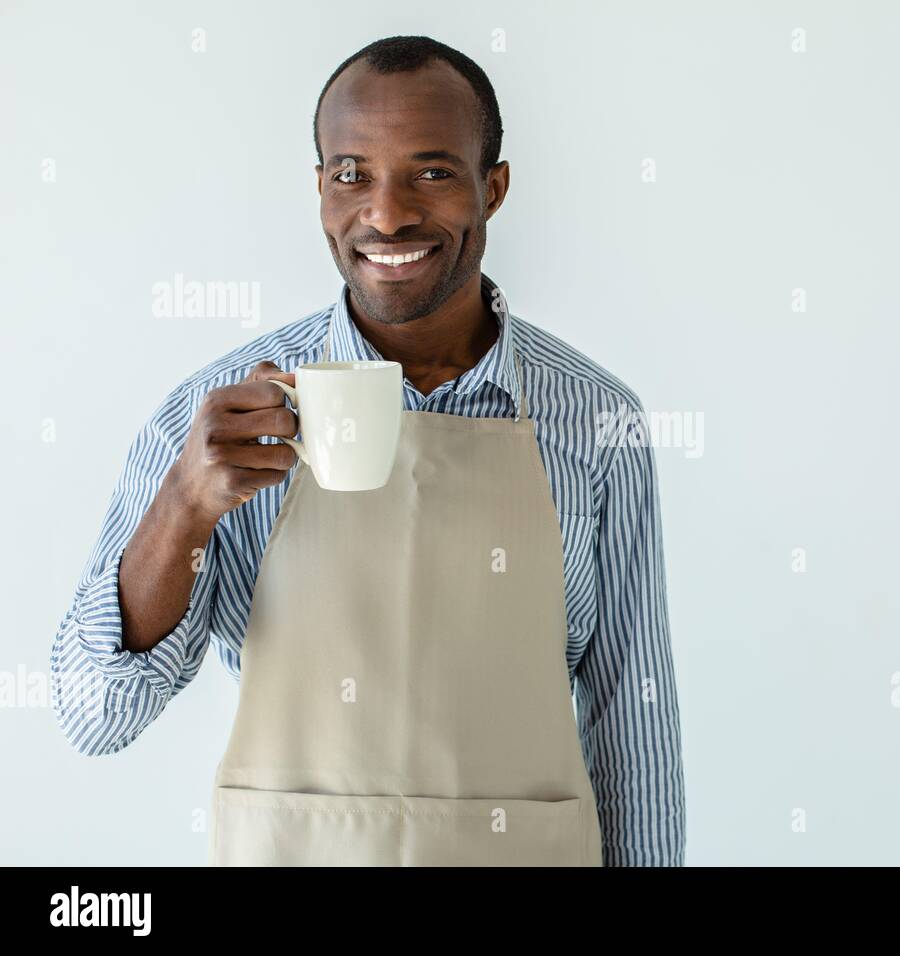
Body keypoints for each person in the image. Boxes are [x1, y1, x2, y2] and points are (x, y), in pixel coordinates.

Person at [49, 34, 684, 867]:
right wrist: (182, 508)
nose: (385, 214)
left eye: (432, 171)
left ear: (493, 187)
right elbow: (96, 716)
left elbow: (632, 734)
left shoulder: (598, 423)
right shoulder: (216, 425)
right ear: (320, 190)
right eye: (352, 174)